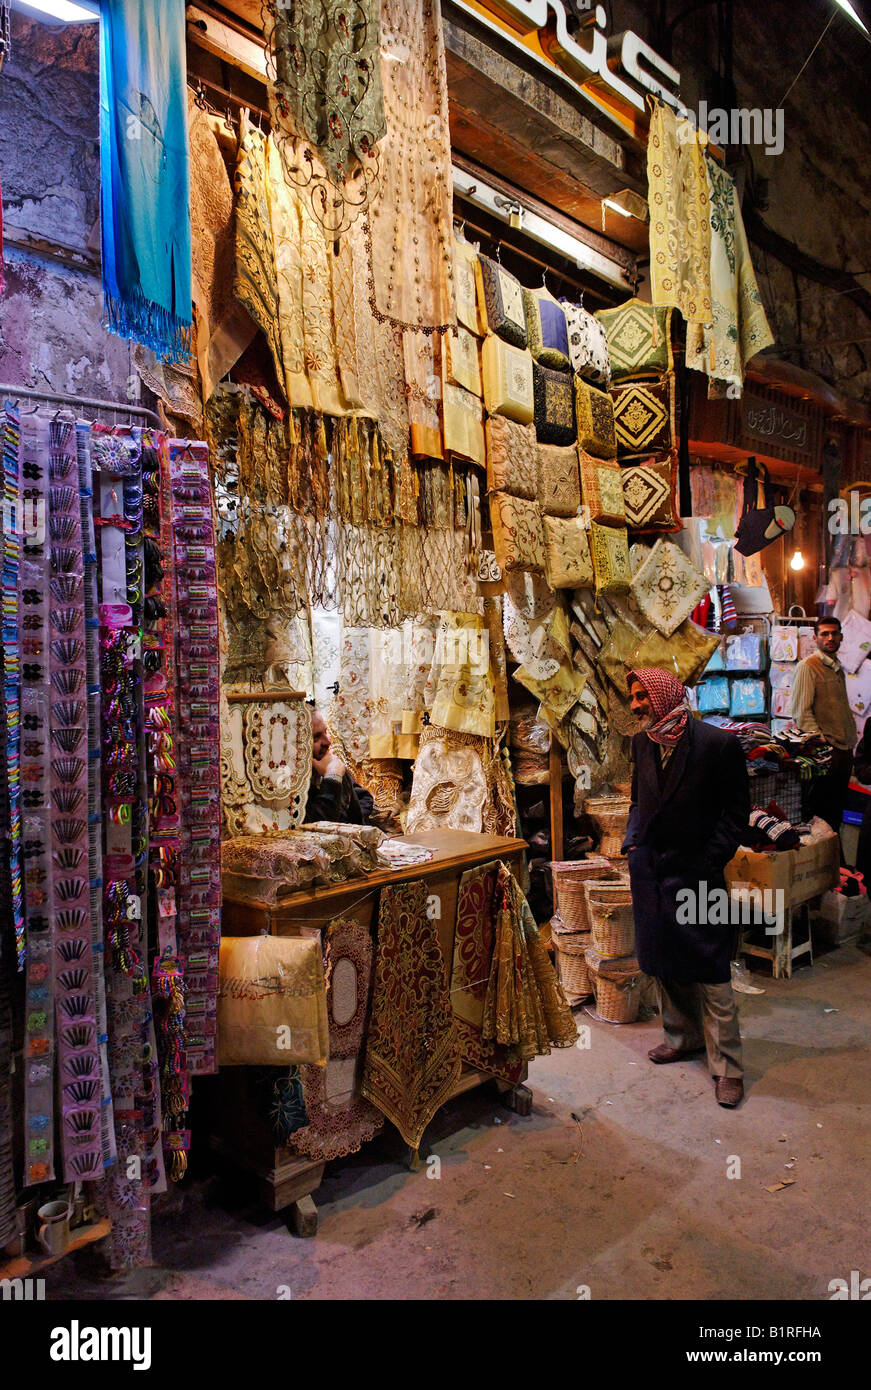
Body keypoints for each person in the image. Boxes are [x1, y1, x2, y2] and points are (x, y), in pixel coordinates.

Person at [622, 668, 750, 1109]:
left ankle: (728, 1068)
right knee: (662, 962)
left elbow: (737, 813)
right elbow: (639, 800)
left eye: (643, 696)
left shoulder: (718, 745)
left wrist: (711, 859)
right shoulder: (642, 743)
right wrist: (632, 844)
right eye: (633, 698)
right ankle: (682, 1038)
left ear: (665, 695)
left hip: (697, 873)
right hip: (651, 872)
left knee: (711, 969)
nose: (637, 705)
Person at [791, 616, 857, 834]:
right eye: (824, 634)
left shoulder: (837, 668)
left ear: (841, 636)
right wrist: (823, 747)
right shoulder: (808, 667)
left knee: (836, 811)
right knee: (822, 814)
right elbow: (802, 712)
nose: (830, 638)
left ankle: (836, 862)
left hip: (844, 748)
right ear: (815, 638)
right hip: (827, 752)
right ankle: (824, 860)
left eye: (834, 633)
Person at [306, 707, 374, 825]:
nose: (328, 742)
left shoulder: (325, 762)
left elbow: (364, 799)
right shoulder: (286, 786)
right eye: (316, 737)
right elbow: (318, 829)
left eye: (326, 732)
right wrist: (333, 776)